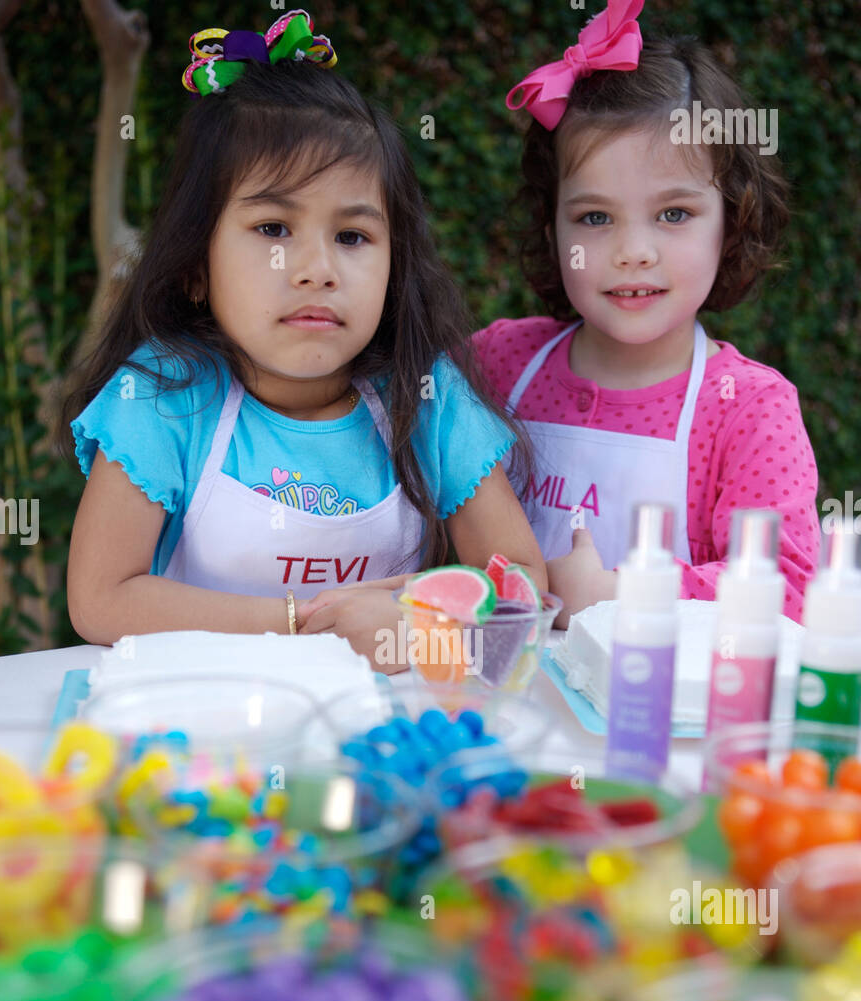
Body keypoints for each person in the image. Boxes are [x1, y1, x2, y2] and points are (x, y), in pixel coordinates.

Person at [61, 13, 544, 667]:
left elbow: (520, 580)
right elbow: (101, 600)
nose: (317, 269)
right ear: (197, 267)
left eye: (352, 237)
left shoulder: (426, 394)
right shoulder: (160, 396)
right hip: (205, 736)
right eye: (273, 229)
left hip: (385, 741)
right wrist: (314, 625)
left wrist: (418, 619)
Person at [472, 0, 819, 626]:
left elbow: (787, 590)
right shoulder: (497, 362)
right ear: (552, 228)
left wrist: (619, 592)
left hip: (661, 718)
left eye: (674, 215)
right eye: (595, 217)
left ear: (730, 223)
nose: (633, 252)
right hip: (502, 709)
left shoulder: (747, 409)